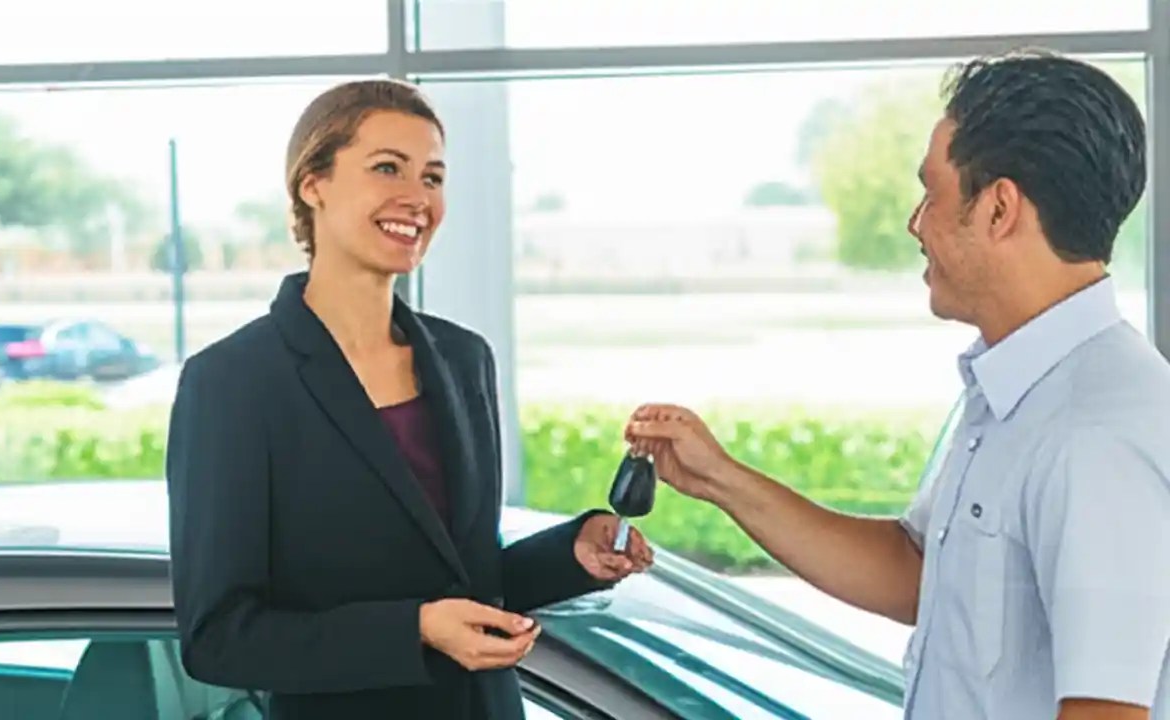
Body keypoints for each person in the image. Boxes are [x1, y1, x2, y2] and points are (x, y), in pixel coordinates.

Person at [625, 50, 1170, 720]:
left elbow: (1108, 711)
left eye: (933, 194)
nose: (917, 223)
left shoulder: (1099, 426)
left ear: (999, 209)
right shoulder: (1013, 392)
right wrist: (719, 479)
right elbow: (919, 576)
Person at [165, 78, 653, 720]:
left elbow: (466, 580)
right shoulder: (234, 382)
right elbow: (219, 638)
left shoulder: (463, 359)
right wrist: (415, 630)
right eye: (387, 168)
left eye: (433, 176)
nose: (417, 197)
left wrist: (570, 556)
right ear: (312, 183)